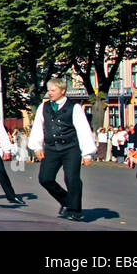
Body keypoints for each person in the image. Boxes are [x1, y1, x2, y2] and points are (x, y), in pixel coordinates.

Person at [28, 78, 97, 222]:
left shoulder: (74, 107)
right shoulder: (44, 107)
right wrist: (37, 146)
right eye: (49, 90)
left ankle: (75, 210)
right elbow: (38, 127)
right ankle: (66, 200)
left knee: (71, 178)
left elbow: (83, 130)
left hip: (70, 148)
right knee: (45, 178)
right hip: (52, 148)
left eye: (53, 90)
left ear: (63, 91)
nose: (50, 93)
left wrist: (87, 153)